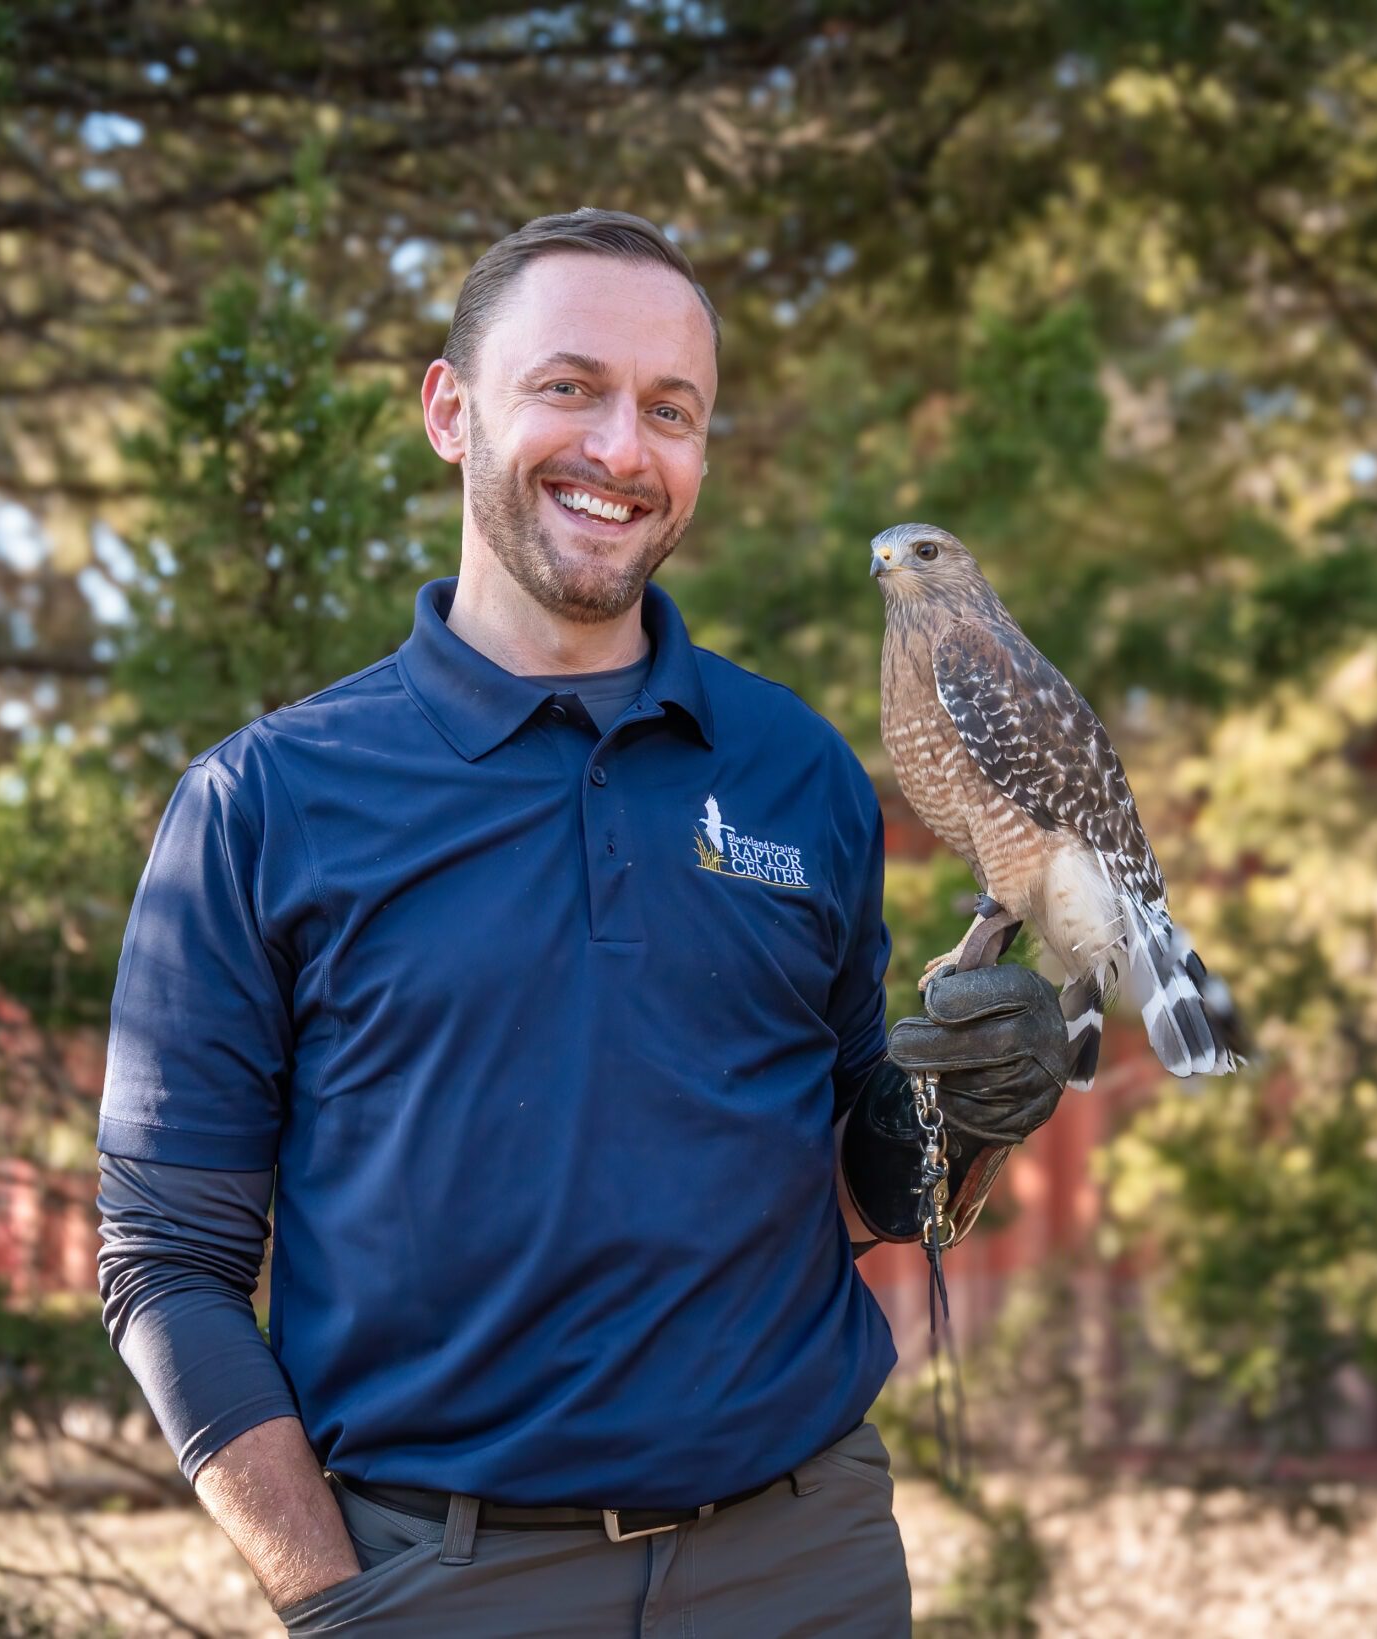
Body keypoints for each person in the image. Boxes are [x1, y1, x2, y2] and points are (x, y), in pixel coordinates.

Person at [94, 208, 1069, 1638]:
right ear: (451, 410)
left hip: (805, 1566)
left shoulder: (797, 770)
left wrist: (962, 1119)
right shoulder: (267, 800)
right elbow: (162, 1257)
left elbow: (851, 1190)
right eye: (569, 388)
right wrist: (335, 1604)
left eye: (670, 410)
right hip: (448, 1580)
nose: (622, 449)